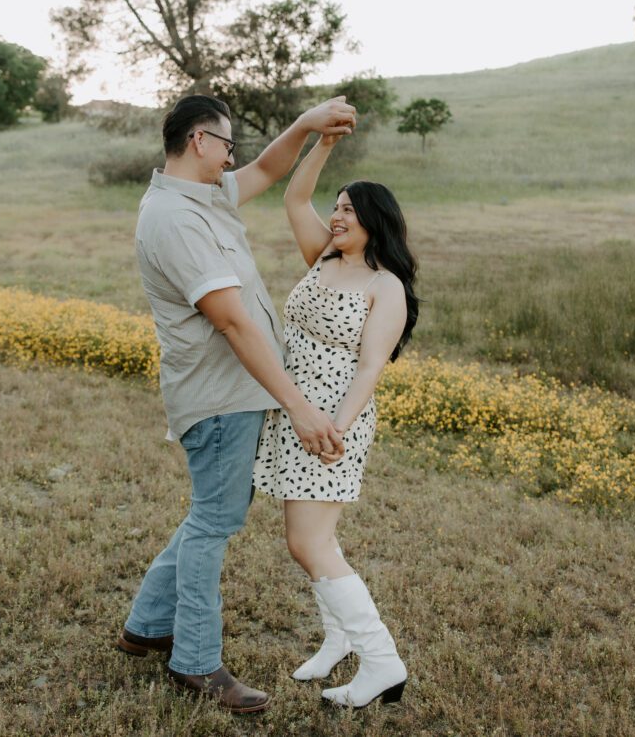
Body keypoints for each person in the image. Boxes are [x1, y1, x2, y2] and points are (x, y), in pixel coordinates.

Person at [117, 94, 357, 714]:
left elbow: (271, 171)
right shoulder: (174, 218)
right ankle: (196, 661)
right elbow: (232, 322)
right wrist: (300, 407)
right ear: (200, 140)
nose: (233, 158)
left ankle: (146, 625)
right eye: (227, 145)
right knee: (214, 523)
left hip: (234, 394)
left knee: (211, 513)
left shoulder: (204, 195)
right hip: (219, 396)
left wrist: (307, 127)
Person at [252, 131, 419, 708]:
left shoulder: (385, 286)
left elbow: (371, 367)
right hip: (292, 414)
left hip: (330, 423)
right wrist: (322, 142)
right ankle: (338, 638)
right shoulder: (324, 256)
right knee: (316, 539)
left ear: (376, 220)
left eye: (349, 209)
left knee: (307, 542)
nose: (337, 215)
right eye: (339, 205)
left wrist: (335, 431)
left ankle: (382, 661)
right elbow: (295, 200)